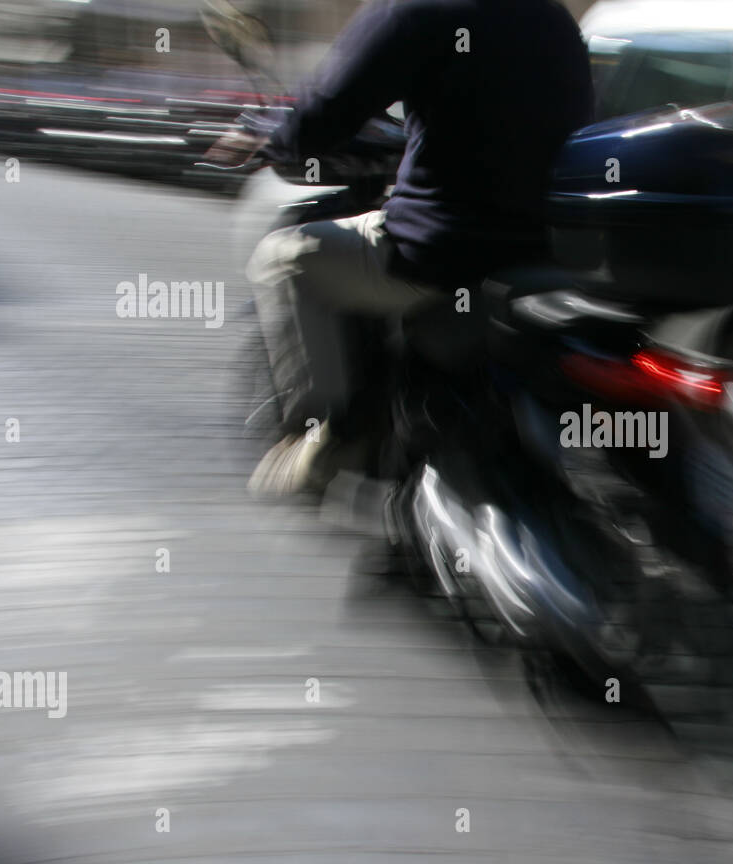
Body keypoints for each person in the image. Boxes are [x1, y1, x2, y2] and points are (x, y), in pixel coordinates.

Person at [228, 0, 593, 495]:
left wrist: (276, 139)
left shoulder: (414, 9)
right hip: (546, 249)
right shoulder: (552, 16)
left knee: (284, 256)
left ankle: (336, 431)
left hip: (442, 253)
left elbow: (328, 107)